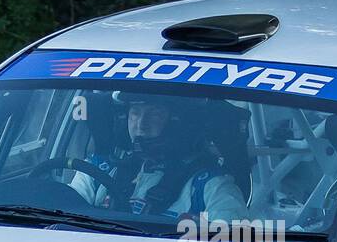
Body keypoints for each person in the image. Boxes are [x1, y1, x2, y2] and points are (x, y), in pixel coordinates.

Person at [71, 95, 248, 222]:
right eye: (135, 112)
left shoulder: (210, 186)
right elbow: (63, 212)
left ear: (178, 123)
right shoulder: (98, 170)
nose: (141, 124)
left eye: (154, 113)